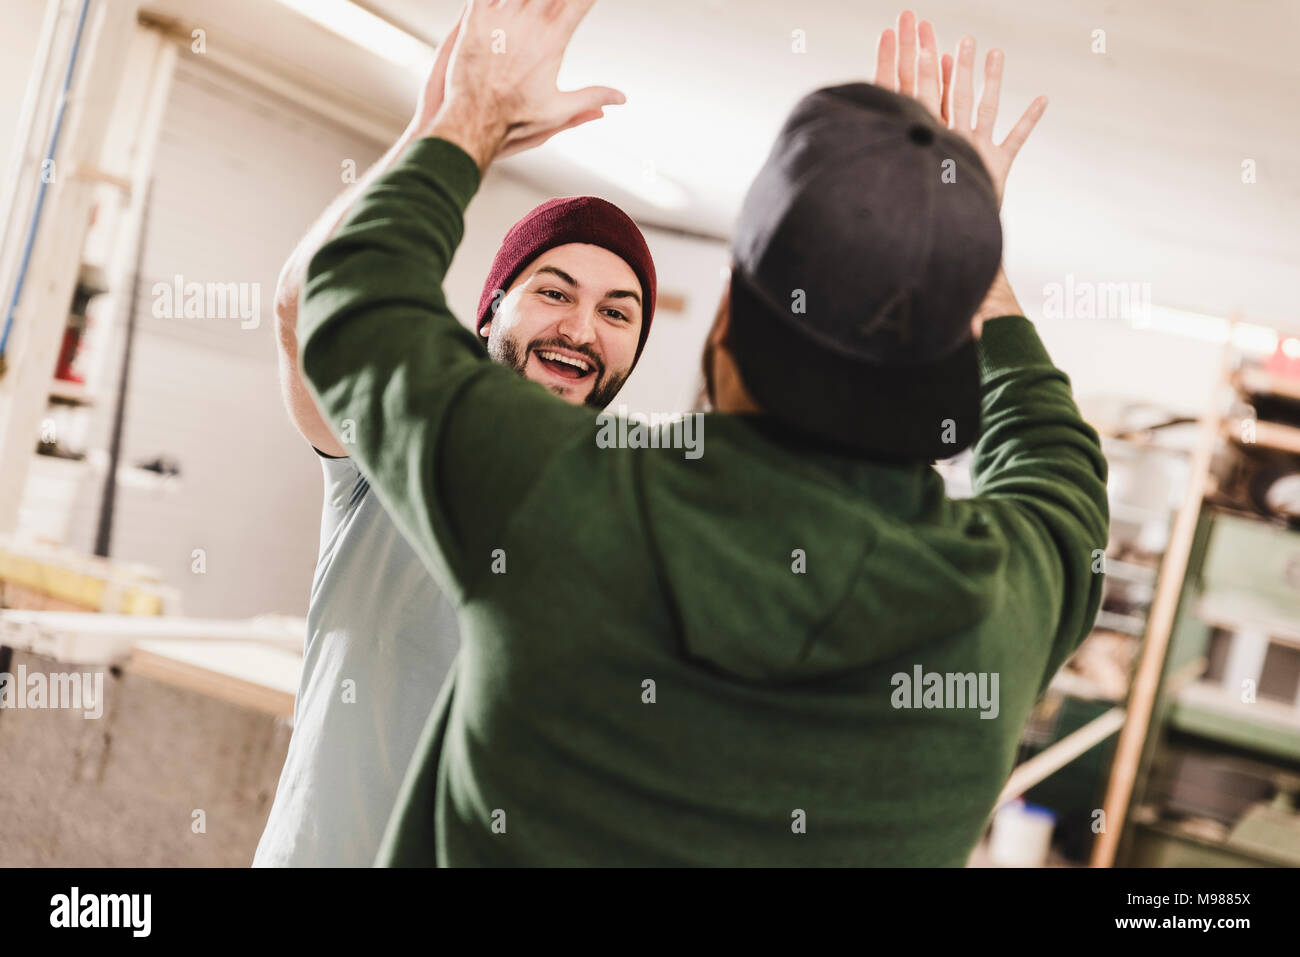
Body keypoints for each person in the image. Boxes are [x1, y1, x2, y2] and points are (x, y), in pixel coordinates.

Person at [297, 3, 1109, 866]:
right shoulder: (1007, 601)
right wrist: (959, 255)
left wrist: (470, 114)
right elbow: (1058, 460)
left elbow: (353, 296)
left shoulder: (550, 494)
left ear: (722, 332)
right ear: (949, 368)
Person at [253, 9, 657, 867]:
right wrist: (440, 133)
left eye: (617, 312)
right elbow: (302, 307)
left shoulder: (636, 510)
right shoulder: (395, 445)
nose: (582, 327)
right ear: (490, 312)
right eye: (553, 291)